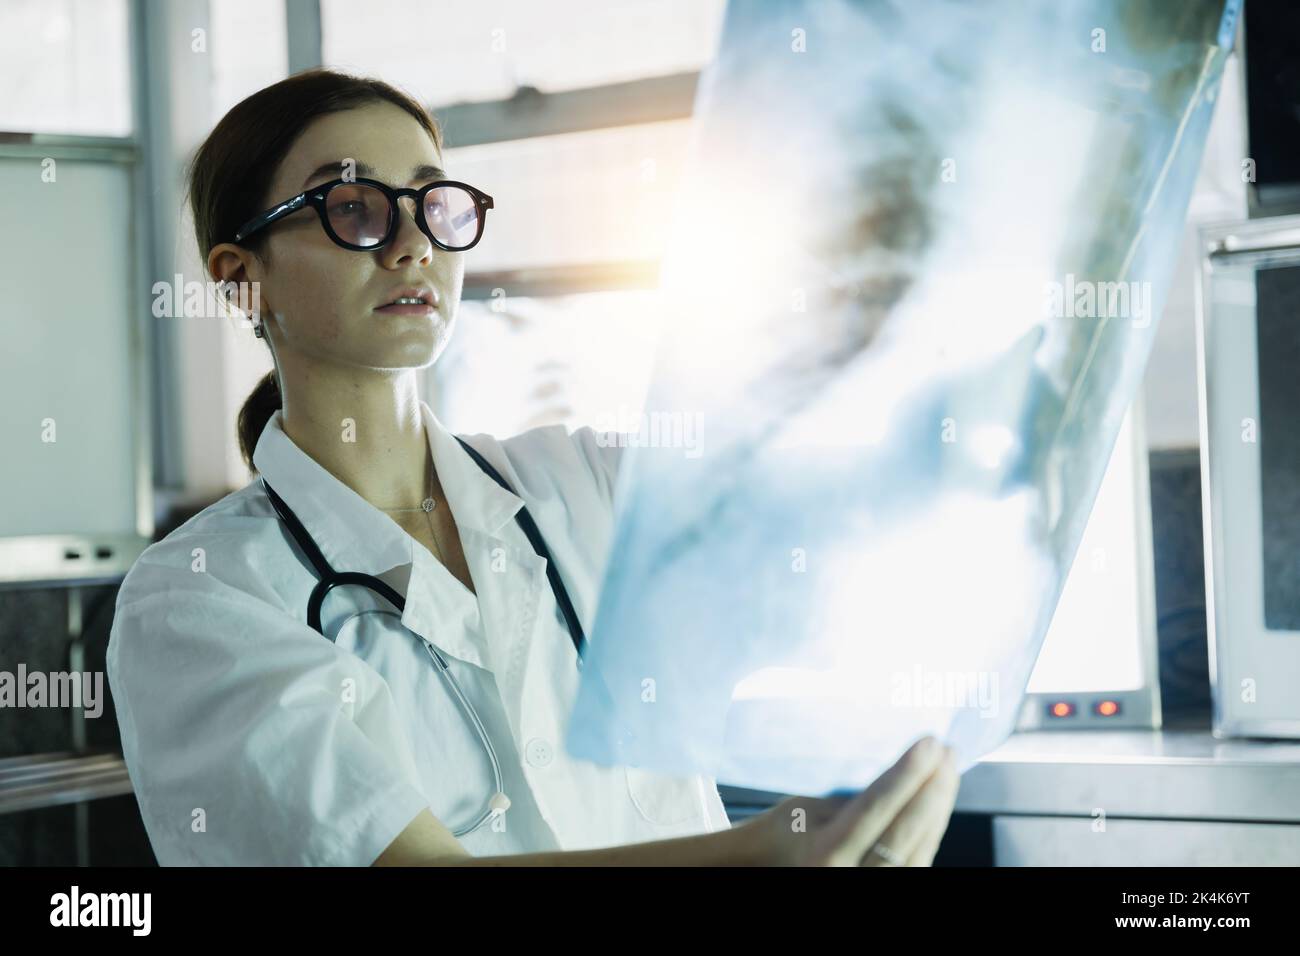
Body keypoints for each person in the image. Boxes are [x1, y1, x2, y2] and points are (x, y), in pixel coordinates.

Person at [106, 68, 958, 866]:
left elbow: (850, 477)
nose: (414, 244)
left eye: (435, 205)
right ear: (242, 279)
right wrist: (770, 853)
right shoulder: (199, 597)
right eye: (356, 206)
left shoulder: (584, 483)